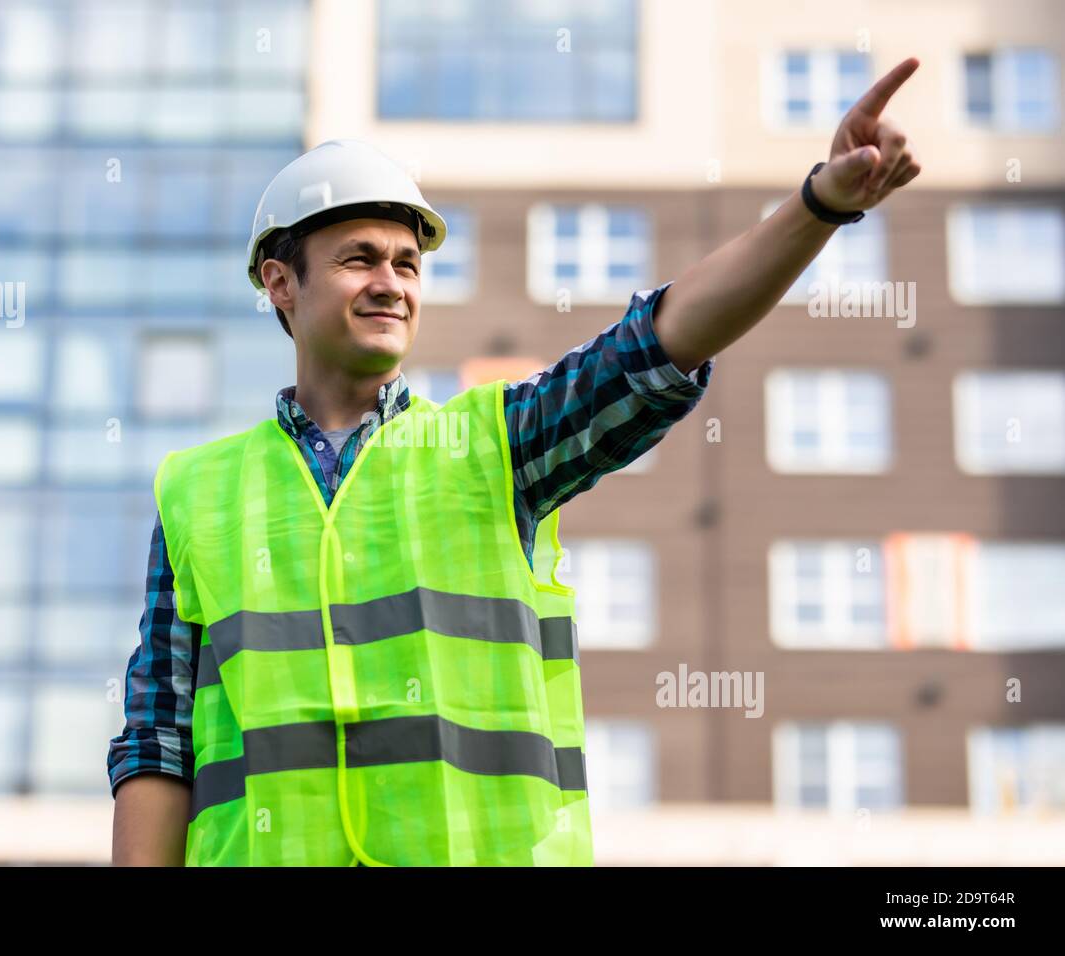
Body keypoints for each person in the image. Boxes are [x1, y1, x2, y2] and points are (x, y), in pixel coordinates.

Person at [109, 58, 922, 866]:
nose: (392, 283)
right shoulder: (198, 490)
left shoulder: (497, 445)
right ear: (281, 283)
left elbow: (656, 346)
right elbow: (158, 738)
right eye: (361, 257)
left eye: (408, 263)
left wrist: (819, 206)